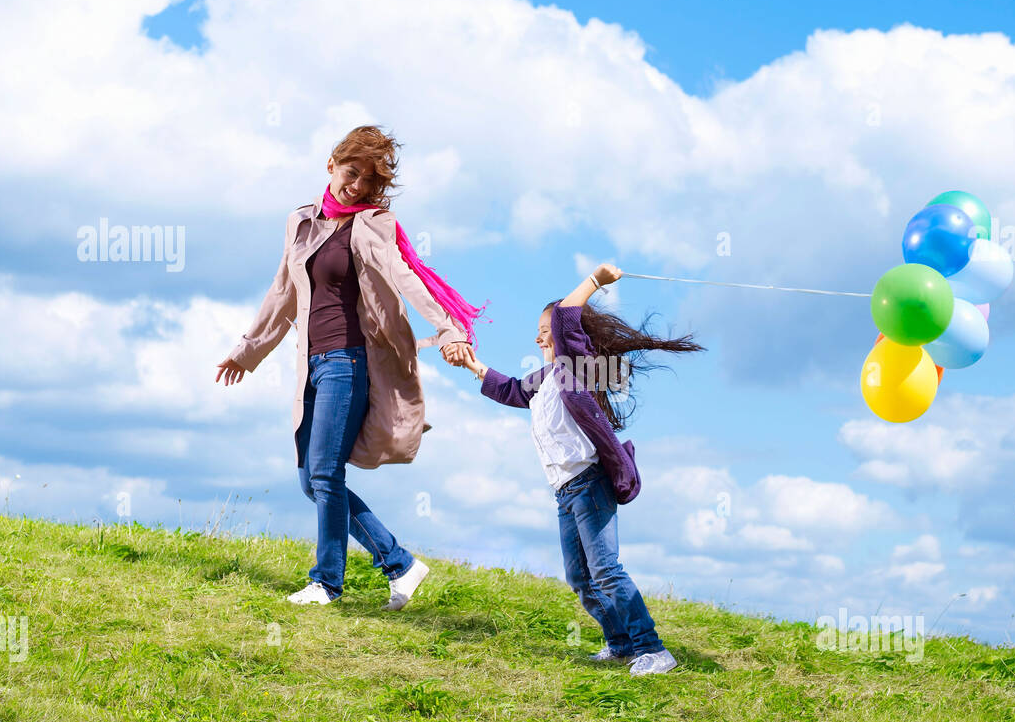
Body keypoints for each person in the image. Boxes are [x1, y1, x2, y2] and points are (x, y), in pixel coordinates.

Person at [215, 126, 481, 610]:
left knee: (324, 472)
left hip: (347, 361)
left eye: (369, 182)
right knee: (311, 478)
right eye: (351, 173)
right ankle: (399, 563)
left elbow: (407, 278)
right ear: (332, 164)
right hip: (309, 364)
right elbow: (282, 293)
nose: (357, 187)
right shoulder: (302, 222)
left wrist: (450, 328)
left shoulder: (373, 225)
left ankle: (326, 582)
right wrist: (247, 349)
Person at [455, 263, 703, 675]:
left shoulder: (575, 366)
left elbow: (568, 319)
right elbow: (512, 390)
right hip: (565, 492)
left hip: (590, 484)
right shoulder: (546, 379)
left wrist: (593, 281)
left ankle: (654, 649)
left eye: (544, 327)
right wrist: (473, 365)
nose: (538, 336)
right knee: (580, 578)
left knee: (606, 570)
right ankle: (621, 644)